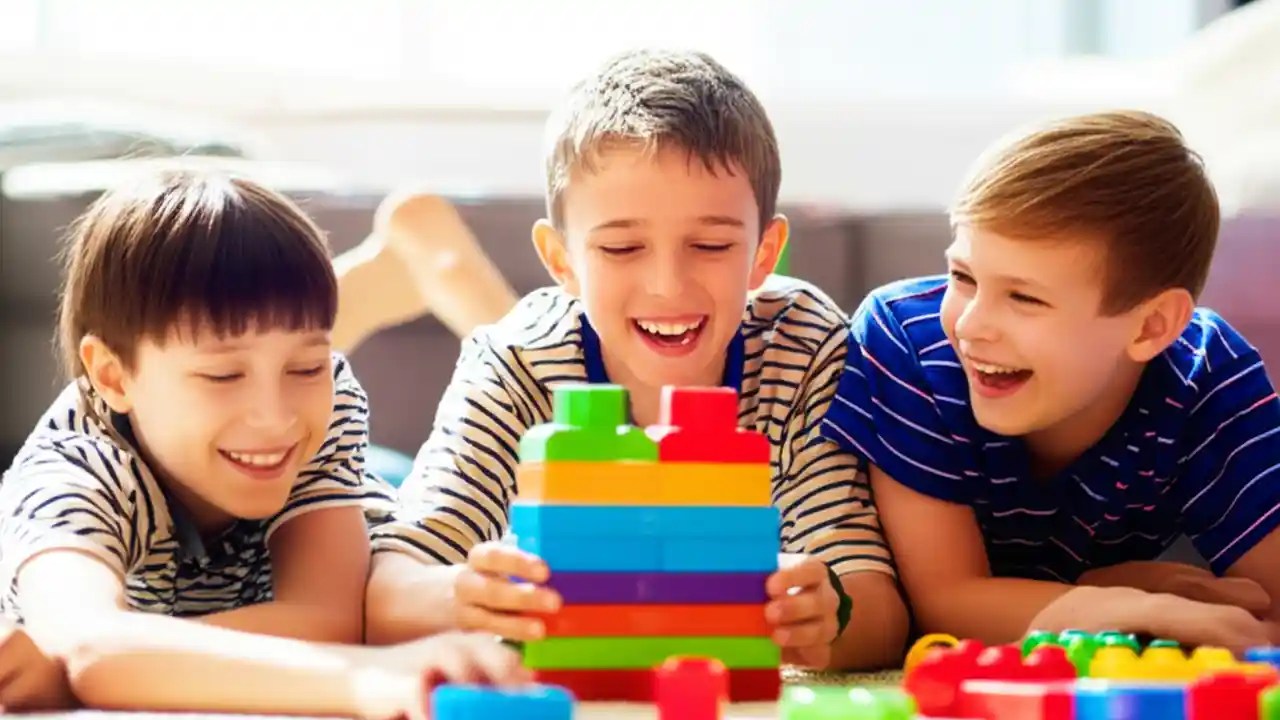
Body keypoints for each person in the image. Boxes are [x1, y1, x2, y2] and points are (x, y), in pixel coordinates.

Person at [365, 48, 909, 671]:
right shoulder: (515, 359)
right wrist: (465, 595)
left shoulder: (804, 349)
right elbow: (386, 596)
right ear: (561, 259)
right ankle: (408, 272)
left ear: (765, 252)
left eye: (710, 244)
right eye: (622, 247)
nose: (667, 286)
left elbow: (879, 609)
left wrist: (826, 618)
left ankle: (435, 266)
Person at [0, 166, 526, 715]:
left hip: (367, 486)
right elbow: (88, 641)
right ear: (111, 377)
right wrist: (377, 677)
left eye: (308, 366)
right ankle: (389, 276)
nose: (276, 417)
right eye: (221, 376)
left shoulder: (322, 411)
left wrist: (118, 660)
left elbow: (328, 617)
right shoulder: (72, 471)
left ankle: (467, 301)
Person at [820, 110, 1280, 654]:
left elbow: (1263, 605)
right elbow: (945, 601)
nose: (969, 326)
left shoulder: (1206, 374)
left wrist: (1104, 597)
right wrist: (1135, 606)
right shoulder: (908, 343)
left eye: (1024, 298)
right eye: (963, 277)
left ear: (1152, 325)